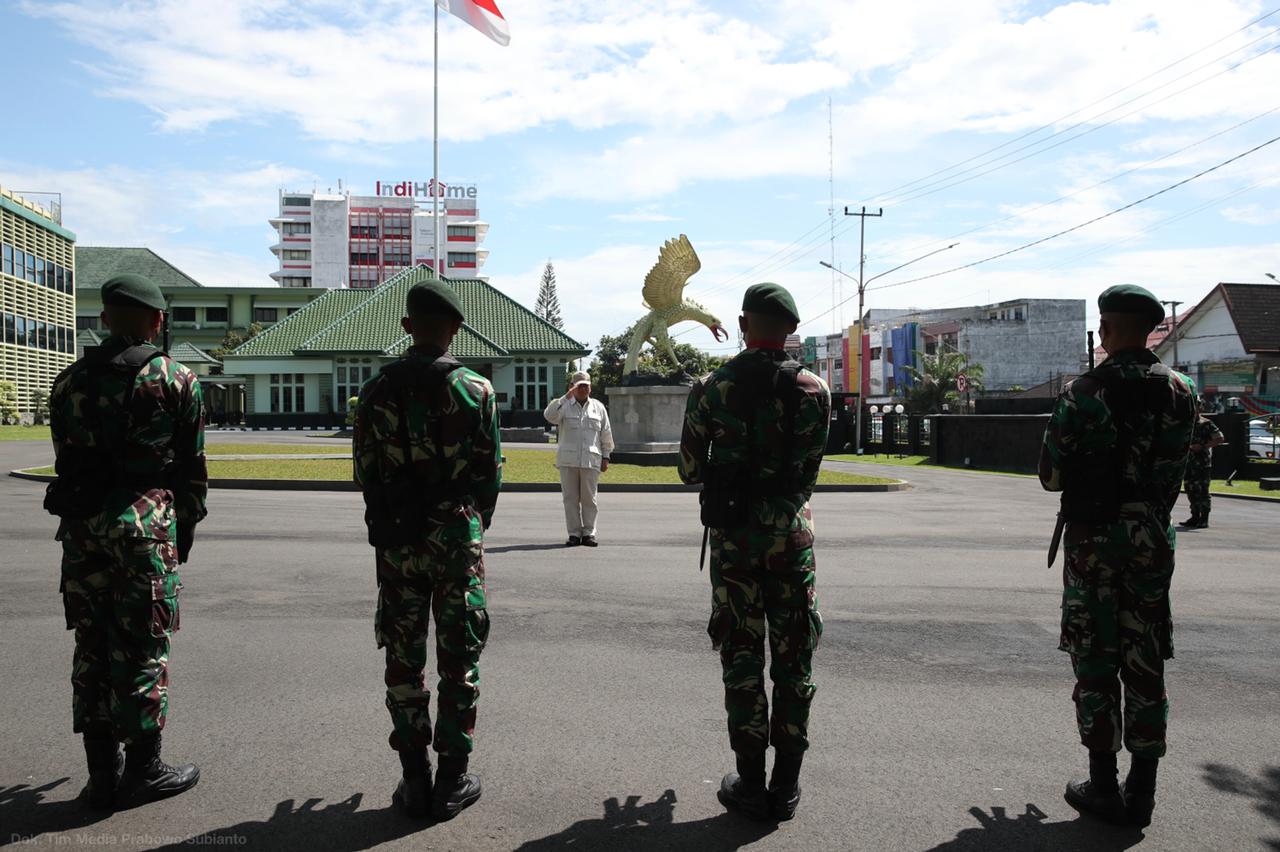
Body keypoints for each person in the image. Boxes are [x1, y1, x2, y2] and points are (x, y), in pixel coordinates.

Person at [45, 273, 207, 809]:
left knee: (91, 644)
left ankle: (100, 773)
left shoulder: (67, 382)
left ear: (106, 318)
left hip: (83, 532)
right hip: (144, 529)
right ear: (158, 321)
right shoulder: (175, 379)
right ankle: (144, 767)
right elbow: (192, 470)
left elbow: (65, 460)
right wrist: (179, 533)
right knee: (141, 646)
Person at [1039, 284, 1195, 829]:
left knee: (1096, 661)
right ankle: (1142, 793)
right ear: (1151, 329)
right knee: (1146, 663)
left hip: (1094, 543)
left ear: (1106, 330)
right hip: (1151, 539)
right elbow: (1176, 471)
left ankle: (1102, 786)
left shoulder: (1084, 391)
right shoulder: (1181, 390)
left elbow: (1050, 475)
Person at [678, 282, 831, 822]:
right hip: (791, 537)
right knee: (795, 658)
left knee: (742, 657)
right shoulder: (815, 389)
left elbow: (691, 469)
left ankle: (749, 781)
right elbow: (809, 471)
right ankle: (786, 785)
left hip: (736, 541)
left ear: (744, 325)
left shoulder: (712, 388)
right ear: (789, 330)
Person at [353, 279, 502, 821]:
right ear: (456, 329)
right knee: (459, 654)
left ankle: (414, 779)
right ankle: (453, 778)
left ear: (407, 326)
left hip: (397, 539)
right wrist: (466, 522)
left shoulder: (375, 391)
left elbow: (364, 472)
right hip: (456, 536)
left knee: (403, 654)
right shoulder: (476, 391)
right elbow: (488, 478)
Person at [543, 371, 614, 547]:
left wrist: (606, 456)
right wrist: (565, 397)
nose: (583, 389)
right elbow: (548, 416)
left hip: (591, 460)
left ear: (590, 387)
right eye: (579, 385)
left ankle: (589, 533)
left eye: (586, 385)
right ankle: (574, 533)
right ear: (572, 387)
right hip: (568, 461)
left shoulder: (598, 407)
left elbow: (606, 433)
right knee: (570, 499)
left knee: (590, 499)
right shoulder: (564, 406)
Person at [1179, 402, 1224, 529]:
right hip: (1188, 463)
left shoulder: (1206, 424)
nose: (1193, 408)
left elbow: (1219, 438)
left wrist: (1203, 446)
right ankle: (1194, 517)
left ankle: (1204, 519)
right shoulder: (1185, 423)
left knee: (1202, 491)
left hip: (1202, 464)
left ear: (1200, 408)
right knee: (1190, 490)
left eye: (1196, 406)